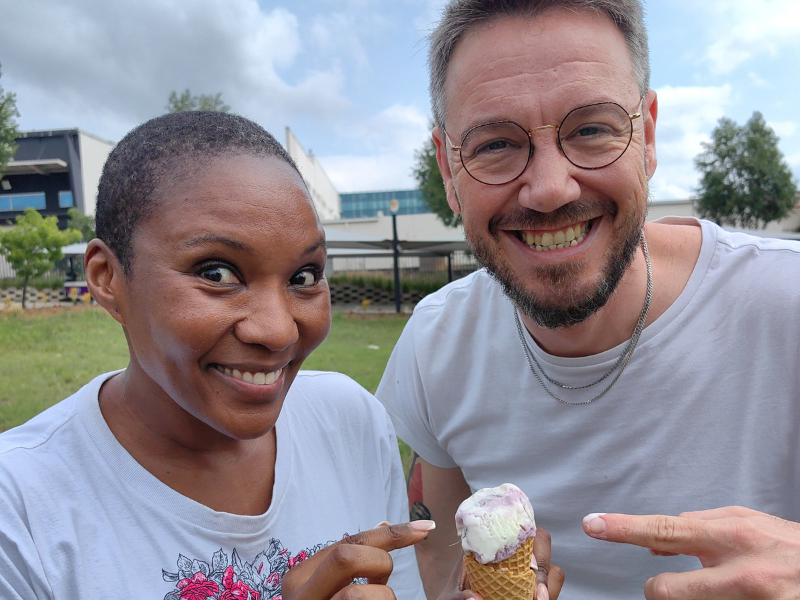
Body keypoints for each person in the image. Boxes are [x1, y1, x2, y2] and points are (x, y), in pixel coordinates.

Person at [375, 1, 800, 599]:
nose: (549, 189)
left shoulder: (787, 306)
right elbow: (443, 563)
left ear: (647, 137)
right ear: (449, 169)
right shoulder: (435, 343)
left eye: (592, 130)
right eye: (496, 143)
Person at [0, 111, 431, 600]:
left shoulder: (350, 422)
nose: (277, 329)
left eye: (304, 277)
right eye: (218, 273)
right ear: (107, 277)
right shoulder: (20, 514)